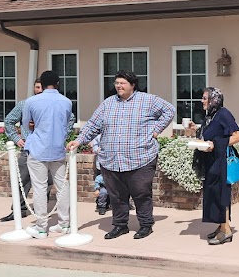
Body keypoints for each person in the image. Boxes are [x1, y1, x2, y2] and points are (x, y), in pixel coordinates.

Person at [67, 70, 175, 240]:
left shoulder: (147, 100)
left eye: (122, 83)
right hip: (111, 159)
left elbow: (170, 110)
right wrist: (79, 141)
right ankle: (120, 225)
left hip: (141, 157)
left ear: (132, 85)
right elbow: (93, 125)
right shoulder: (108, 104)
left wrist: (155, 131)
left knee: (141, 193)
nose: (118, 86)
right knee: (116, 195)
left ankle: (146, 225)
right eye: (117, 83)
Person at [20, 70, 72, 238]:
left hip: (38, 148)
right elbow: (66, 123)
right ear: (58, 83)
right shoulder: (66, 101)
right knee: (63, 187)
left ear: (41, 84)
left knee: (40, 188)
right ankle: (64, 224)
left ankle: (41, 227)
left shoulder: (32, 101)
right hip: (58, 148)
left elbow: (26, 125)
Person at [191, 87, 239, 246]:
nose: (202, 101)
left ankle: (226, 231)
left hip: (221, 161)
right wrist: (195, 130)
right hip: (211, 161)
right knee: (213, 193)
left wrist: (215, 144)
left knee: (221, 195)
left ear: (214, 100)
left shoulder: (224, 114)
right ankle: (221, 226)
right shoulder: (210, 116)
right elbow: (210, 134)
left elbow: (237, 136)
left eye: (205, 98)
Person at [0, 79, 44, 222]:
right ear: (34, 88)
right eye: (37, 87)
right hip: (27, 149)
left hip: (45, 149)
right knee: (21, 181)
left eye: (42, 87)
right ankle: (18, 210)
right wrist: (17, 139)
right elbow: (9, 121)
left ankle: (42, 213)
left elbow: (70, 119)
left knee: (46, 183)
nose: (39, 90)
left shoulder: (50, 105)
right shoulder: (24, 104)